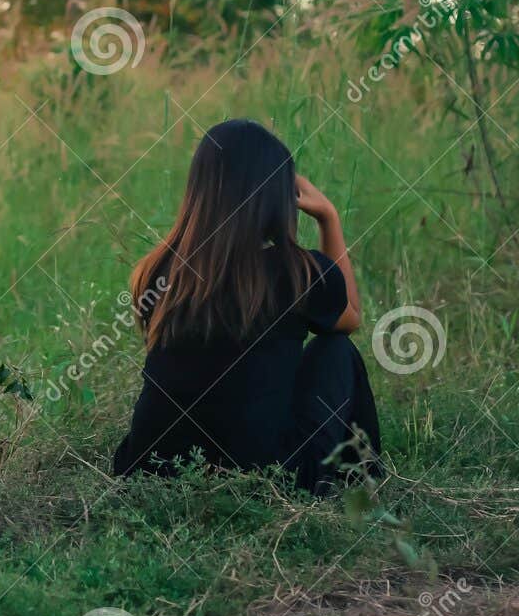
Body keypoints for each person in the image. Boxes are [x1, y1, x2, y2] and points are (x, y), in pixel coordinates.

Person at [111, 118, 381, 494]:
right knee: (336, 349)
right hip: (266, 480)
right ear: (276, 198)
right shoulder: (294, 271)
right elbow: (348, 316)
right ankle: (359, 482)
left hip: (151, 472)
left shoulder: (158, 271)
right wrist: (328, 218)